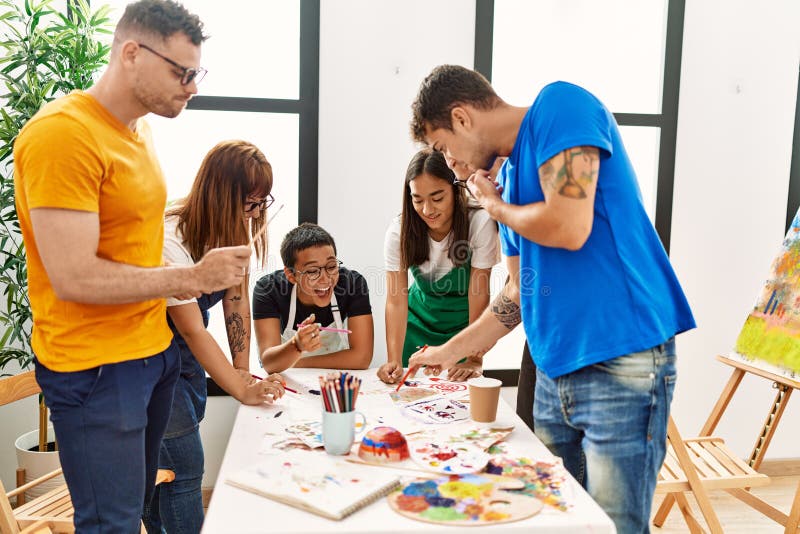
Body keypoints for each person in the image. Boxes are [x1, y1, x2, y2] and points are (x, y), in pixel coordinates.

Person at [407, 64, 695, 534]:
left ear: (461, 118)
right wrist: (446, 352)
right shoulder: (513, 177)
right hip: (551, 373)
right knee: (551, 520)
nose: (453, 164)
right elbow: (517, 294)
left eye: (444, 148)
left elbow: (569, 224)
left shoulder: (561, 106)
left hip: (620, 359)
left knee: (613, 525)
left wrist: (494, 206)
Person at [13, 1, 256, 531]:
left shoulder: (139, 132)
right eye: (181, 72)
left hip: (152, 355)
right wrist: (193, 279)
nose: (192, 86)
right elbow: (74, 276)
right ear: (130, 53)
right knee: (111, 523)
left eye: (197, 73)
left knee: (138, 512)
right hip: (97, 369)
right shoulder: (63, 136)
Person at [142, 140, 285, 533]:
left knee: (162, 473)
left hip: (184, 358)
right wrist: (243, 391)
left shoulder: (234, 230)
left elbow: (236, 301)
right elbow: (192, 328)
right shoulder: (170, 237)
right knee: (186, 470)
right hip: (149, 359)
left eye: (262, 204)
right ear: (222, 196)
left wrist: (242, 369)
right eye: (250, 204)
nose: (257, 214)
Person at [377, 148, 499, 384]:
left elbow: (479, 293)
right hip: (416, 327)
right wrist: (393, 359)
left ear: (455, 190)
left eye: (437, 198)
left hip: (463, 333)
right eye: (417, 199)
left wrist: (474, 357)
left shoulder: (479, 222)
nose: (427, 210)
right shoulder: (398, 231)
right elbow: (396, 299)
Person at [253, 223, 373, 372]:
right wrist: (296, 345)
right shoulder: (268, 289)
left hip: (332, 380)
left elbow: (361, 358)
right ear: (291, 275)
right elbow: (269, 363)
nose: (325, 279)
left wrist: (294, 362)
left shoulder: (352, 283)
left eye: (331, 267)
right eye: (312, 271)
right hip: (289, 383)